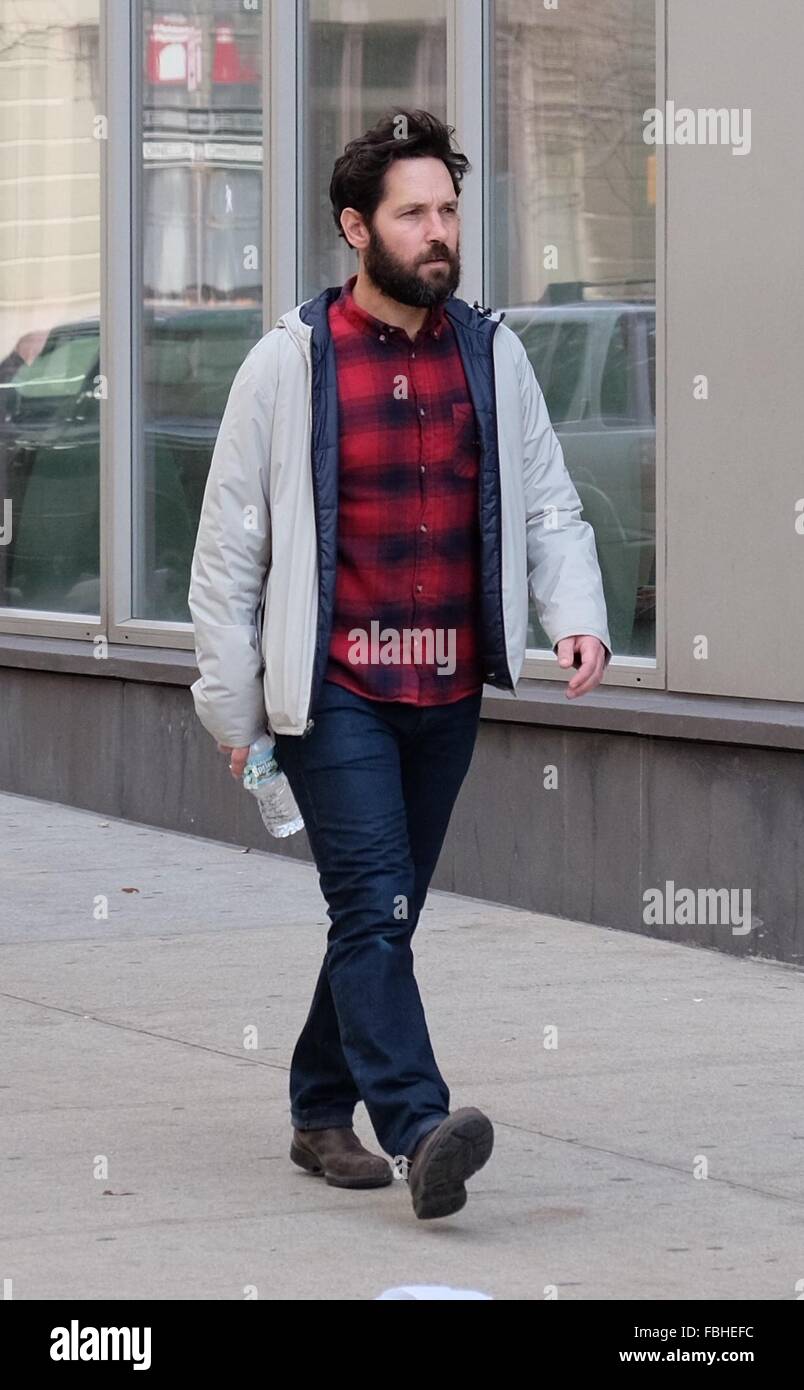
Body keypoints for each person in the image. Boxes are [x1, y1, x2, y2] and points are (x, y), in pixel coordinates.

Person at [188, 109, 611, 1221]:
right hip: (336, 694)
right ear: (355, 228)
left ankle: (320, 1105)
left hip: (450, 686)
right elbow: (228, 553)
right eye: (414, 213)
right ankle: (420, 1127)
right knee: (375, 908)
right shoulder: (291, 364)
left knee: (382, 910)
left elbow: (551, 499)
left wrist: (576, 615)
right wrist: (237, 713)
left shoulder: (492, 353)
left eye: (449, 211)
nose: (440, 233)